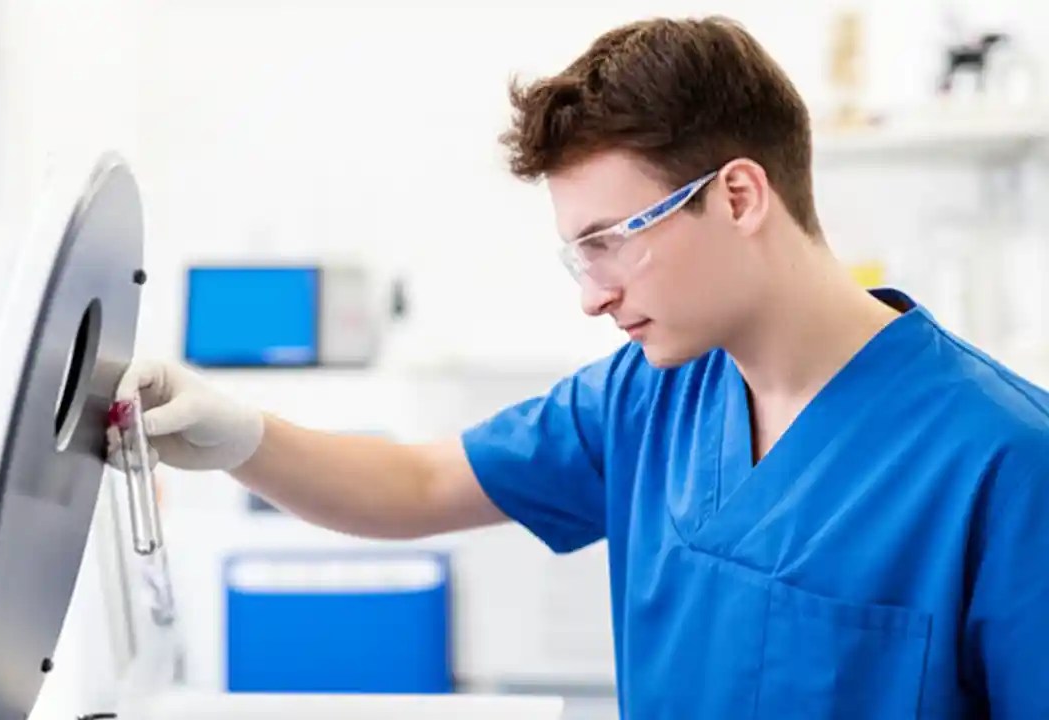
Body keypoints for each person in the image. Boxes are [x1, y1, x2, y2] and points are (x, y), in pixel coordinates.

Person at [110, 15, 1049, 719]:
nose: (592, 297)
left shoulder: (1004, 462)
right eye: (578, 255)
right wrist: (240, 436)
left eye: (609, 242)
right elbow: (421, 481)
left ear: (737, 194)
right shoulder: (653, 396)